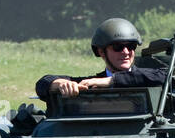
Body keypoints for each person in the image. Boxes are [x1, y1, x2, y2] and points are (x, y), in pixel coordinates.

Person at [35, 18, 167, 101]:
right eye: (118, 47)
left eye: (131, 46)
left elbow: (165, 76)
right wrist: (59, 84)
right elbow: (42, 83)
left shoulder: (149, 77)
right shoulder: (91, 84)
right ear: (101, 52)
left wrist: (111, 80)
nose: (126, 52)